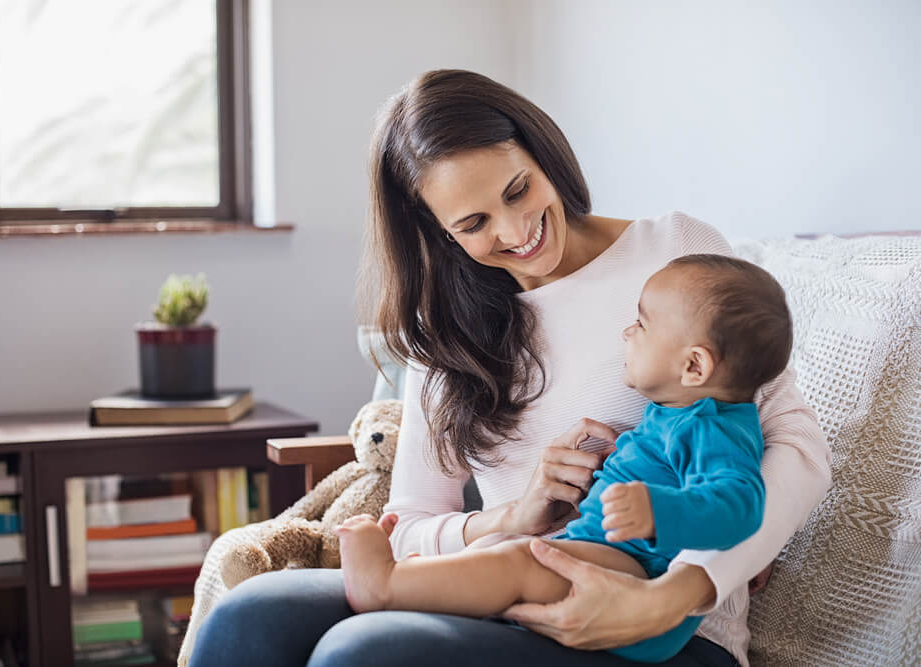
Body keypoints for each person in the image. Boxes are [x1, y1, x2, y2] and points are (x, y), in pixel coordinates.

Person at [187, 69, 831, 667]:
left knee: (363, 652)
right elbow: (408, 529)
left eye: (518, 189)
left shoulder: (674, 258)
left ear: (540, 151)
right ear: (439, 232)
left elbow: (797, 447)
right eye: (474, 222)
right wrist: (514, 516)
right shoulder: (448, 328)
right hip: (503, 588)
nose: (518, 231)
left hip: (664, 628)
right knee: (250, 616)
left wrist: (676, 595)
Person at [336, 253, 792, 663]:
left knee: (520, 560)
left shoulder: (711, 427)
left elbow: (741, 504)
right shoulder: (679, 414)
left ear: (694, 366)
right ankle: (414, 580)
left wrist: (657, 511)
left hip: (638, 582)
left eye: (642, 325)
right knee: (505, 551)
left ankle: (386, 586)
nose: (627, 332)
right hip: (613, 559)